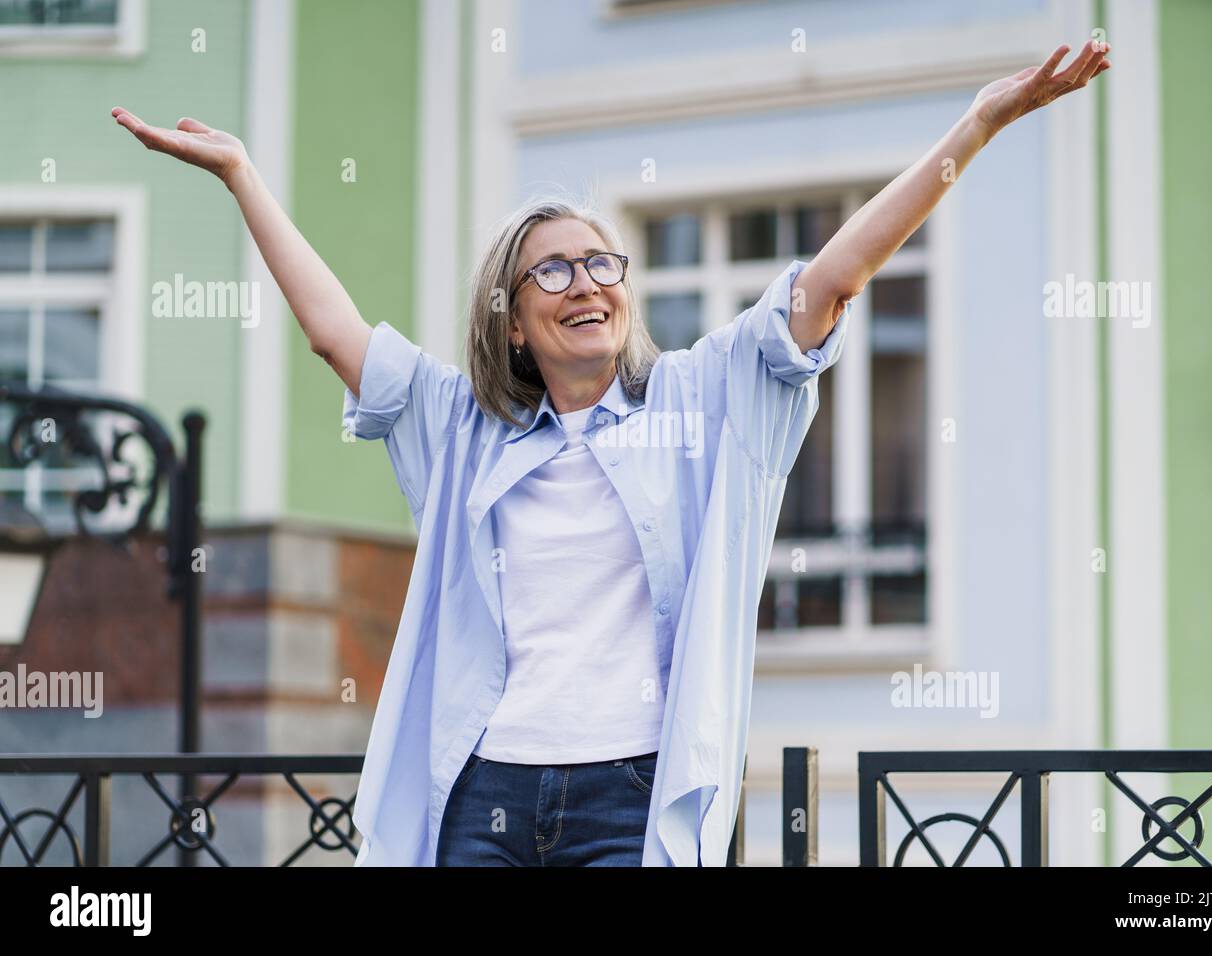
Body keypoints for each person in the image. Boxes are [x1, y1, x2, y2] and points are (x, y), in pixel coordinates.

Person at [111, 35, 1109, 866]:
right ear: (509, 319)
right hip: (482, 793)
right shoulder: (462, 428)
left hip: (628, 797)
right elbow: (337, 334)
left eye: (601, 259)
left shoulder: (702, 396)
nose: (586, 279)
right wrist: (243, 174)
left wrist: (973, 127)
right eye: (553, 267)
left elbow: (831, 282)